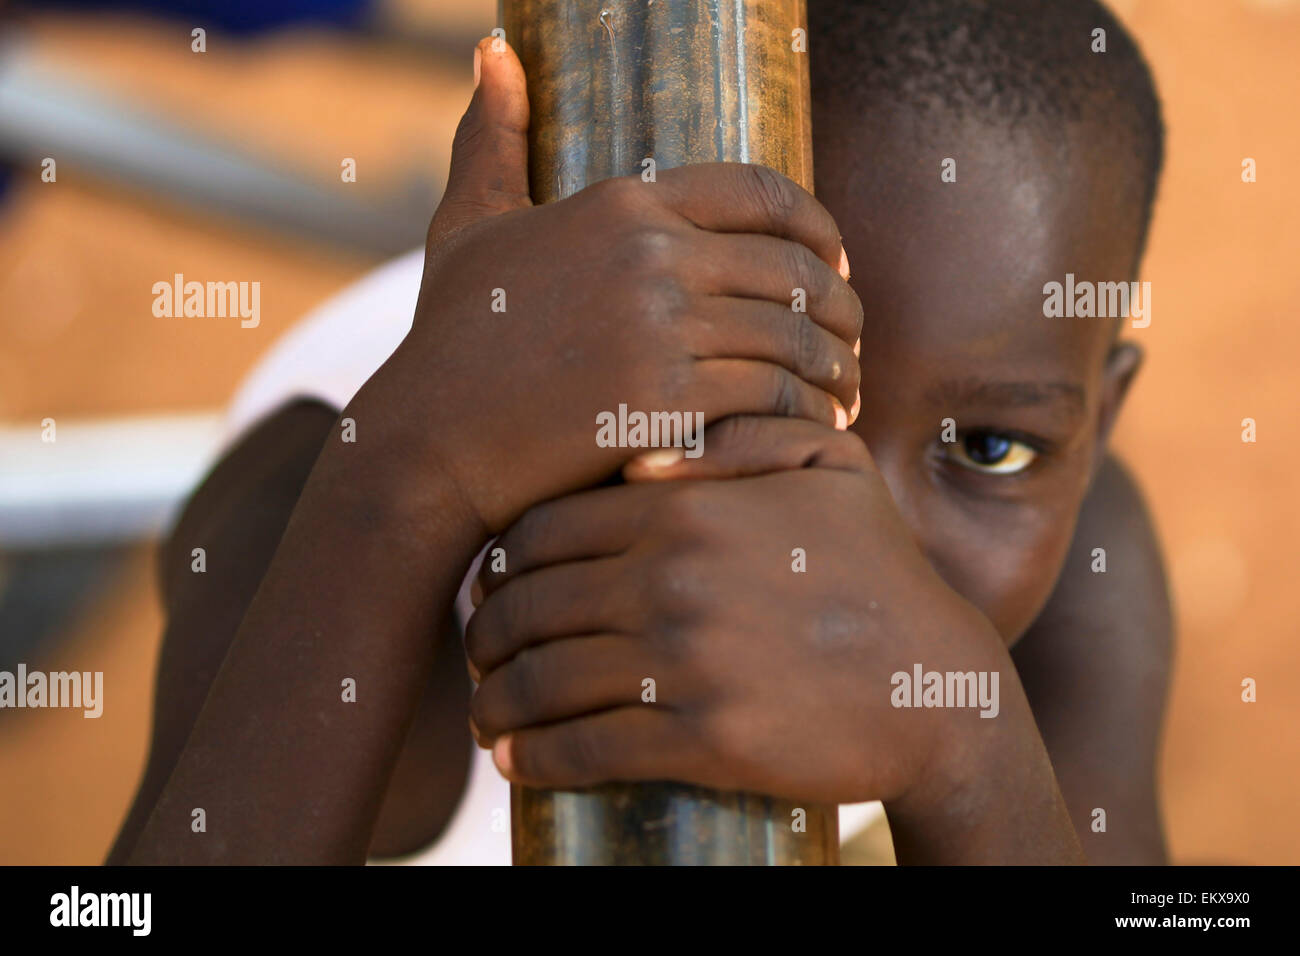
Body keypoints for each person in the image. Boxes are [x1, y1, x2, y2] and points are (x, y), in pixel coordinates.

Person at [108, 0, 1171, 865]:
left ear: (1101, 415)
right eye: (768, 389)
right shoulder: (321, 531)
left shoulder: (1082, 571)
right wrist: (411, 467)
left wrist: (970, 752)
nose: (854, 542)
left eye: (985, 448)